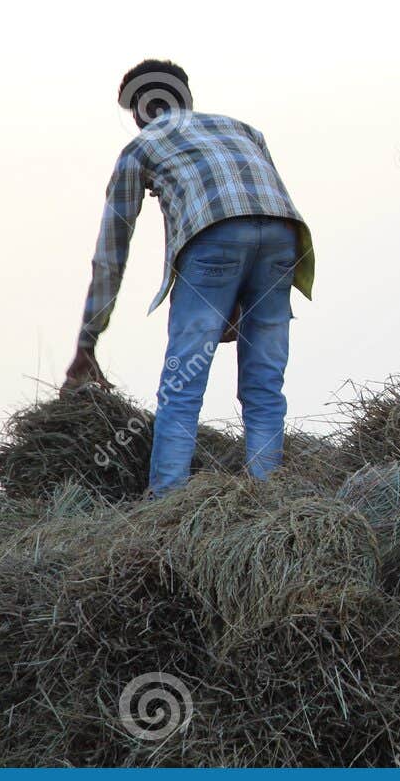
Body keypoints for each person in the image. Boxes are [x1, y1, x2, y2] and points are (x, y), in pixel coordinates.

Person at [64, 59, 315, 495]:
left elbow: (110, 257)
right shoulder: (242, 129)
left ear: (138, 113)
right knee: (264, 384)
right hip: (283, 236)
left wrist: (87, 342)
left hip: (213, 240)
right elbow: (257, 211)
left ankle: (166, 500)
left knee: (181, 386)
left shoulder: (139, 149)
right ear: (189, 99)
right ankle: (267, 496)